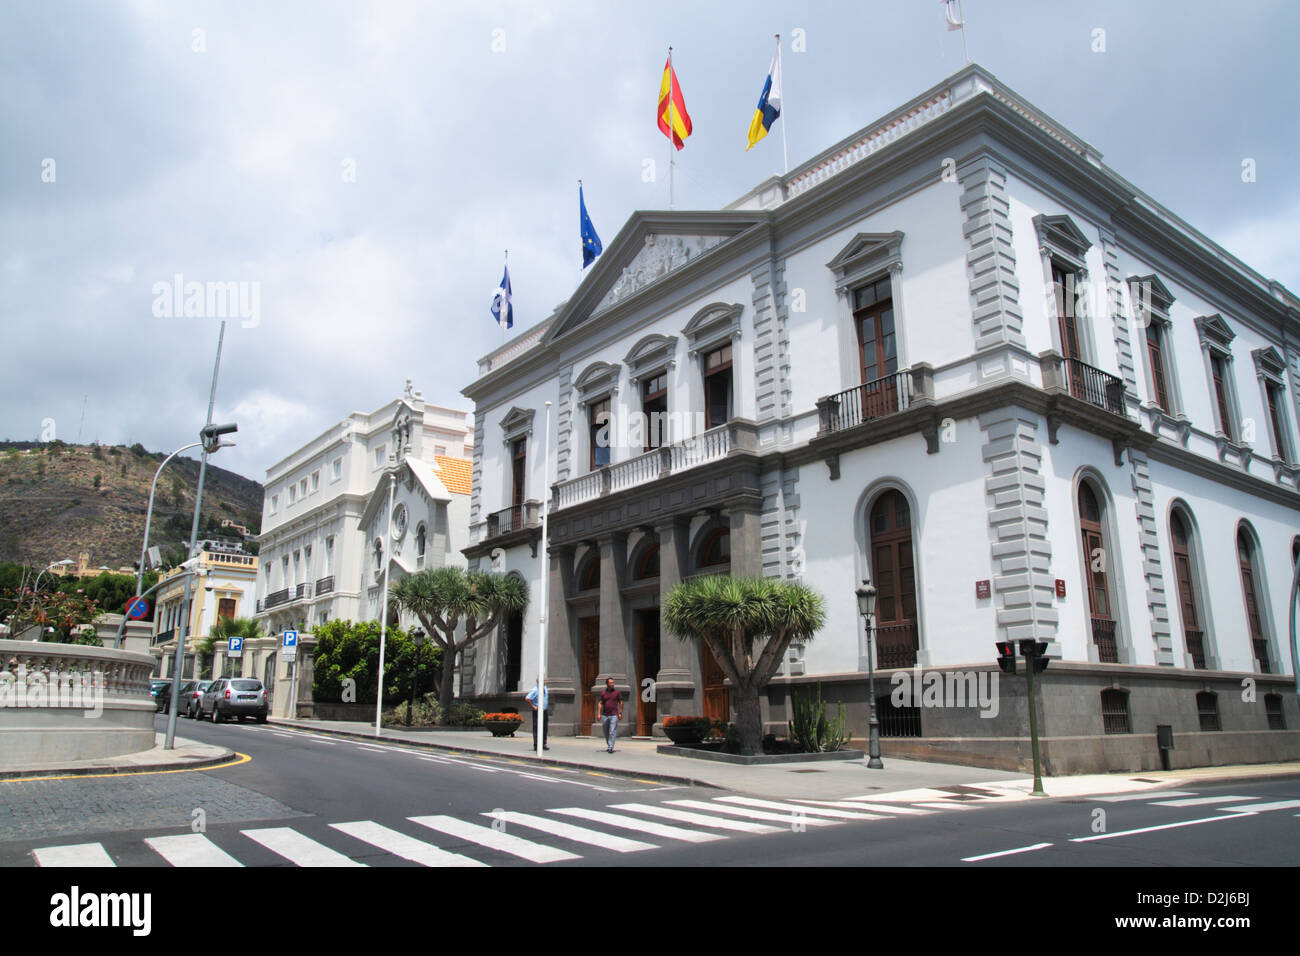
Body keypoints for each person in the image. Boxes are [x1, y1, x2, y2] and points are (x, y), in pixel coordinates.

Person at [598, 677, 623, 753]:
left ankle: (610, 747)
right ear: (607, 684)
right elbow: (600, 703)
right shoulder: (603, 693)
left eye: (613, 683)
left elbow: (621, 702)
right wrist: (598, 713)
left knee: (612, 731)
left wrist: (620, 713)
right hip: (605, 715)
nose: (612, 684)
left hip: (614, 715)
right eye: (611, 683)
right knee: (606, 732)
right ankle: (609, 744)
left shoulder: (617, 692)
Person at [526, 679, 549, 750]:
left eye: (545, 680)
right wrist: (533, 706)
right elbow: (527, 698)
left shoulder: (545, 688)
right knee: (536, 727)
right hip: (538, 711)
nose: (546, 682)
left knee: (545, 727)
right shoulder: (535, 690)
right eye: (544, 680)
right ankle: (536, 745)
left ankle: (543, 743)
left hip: (544, 710)